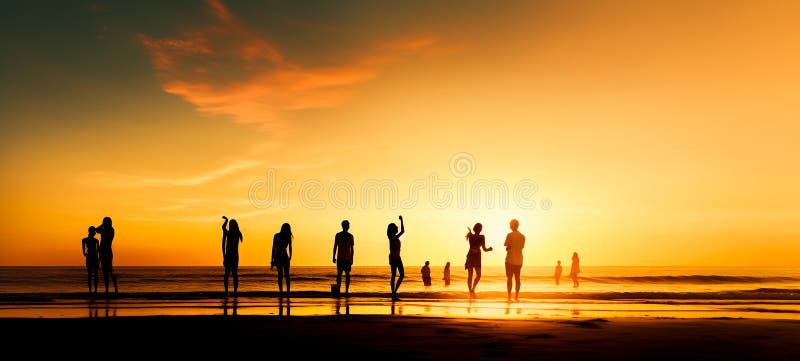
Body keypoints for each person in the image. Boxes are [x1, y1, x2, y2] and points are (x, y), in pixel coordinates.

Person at [464, 223, 493, 297]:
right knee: (470, 275)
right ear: (475, 228)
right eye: (479, 228)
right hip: (471, 256)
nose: (480, 229)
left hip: (477, 257)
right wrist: (470, 233)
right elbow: (472, 243)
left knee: (479, 275)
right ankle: (470, 291)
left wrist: (489, 249)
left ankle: (473, 288)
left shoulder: (482, 236)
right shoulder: (471, 236)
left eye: (480, 228)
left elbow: (484, 249)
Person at [504, 219, 525, 302]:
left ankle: (509, 296)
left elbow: (506, 245)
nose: (509, 226)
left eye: (510, 225)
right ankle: (516, 296)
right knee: (517, 278)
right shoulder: (522, 236)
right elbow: (522, 247)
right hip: (519, 260)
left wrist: (508, 248)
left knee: (509, 278)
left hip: (510, 260)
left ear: (512, 225)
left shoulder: (509, 235)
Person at [95, 217, 118, 295]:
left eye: (106, 222)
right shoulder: (104, 229)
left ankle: (116, 288)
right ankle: (107, 290)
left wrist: (102, 225)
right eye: (105, 221)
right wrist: (102, 225)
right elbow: (96, 230)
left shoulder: (111, 230)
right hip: (102, 252)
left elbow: (97, 230)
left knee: (110, 271)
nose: (105, 223)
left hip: (107, 252)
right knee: (104, 272)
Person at [221, 216, 243, 295]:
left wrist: (226, 221)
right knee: (234, 274)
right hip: (235, 256)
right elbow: (223, 228)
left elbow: (223, 228)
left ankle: (226, 291)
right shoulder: (238, 234)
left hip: (229, 256)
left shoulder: (229, 233)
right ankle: (235, 292)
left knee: (227, 274)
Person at [332, 220, 354, 297]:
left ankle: (346, 291)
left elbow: (352, 249)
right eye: (346, 225)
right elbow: (335, 246)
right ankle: (339, 290)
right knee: (339, 274)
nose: (347, 227)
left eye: (347, 225)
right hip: (340, 258)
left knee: (347, 275)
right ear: (343, 226)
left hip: (347, 259)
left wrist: (352, 259)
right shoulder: (338, 235)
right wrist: (333, 256)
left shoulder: (350, 236)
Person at [271, 223, 293, 295]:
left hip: (284, 257)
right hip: (278, 257)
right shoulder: (276, 236)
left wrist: (290, 256)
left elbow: (290, 247)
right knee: (281, 275)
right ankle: (281, 291)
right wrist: (272, 260)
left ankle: (287, 291)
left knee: (286, 275)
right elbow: (273, 248)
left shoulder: (287, 236)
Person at [387, 215, 405, 300]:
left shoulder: (393, 237)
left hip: (398, 257)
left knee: (402, 275)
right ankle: (393, 294)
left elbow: (402, 231)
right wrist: (401, 220)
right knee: (394, 275)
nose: (397, 228)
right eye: (395, 228)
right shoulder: (392, 237)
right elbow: (402, 231)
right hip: (394, 257)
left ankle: (394, 292)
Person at [81, 226, 100, 294]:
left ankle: (93, 290)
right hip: (92, 257)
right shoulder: (92, 240)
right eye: (93, 231)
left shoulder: (93, 240)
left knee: (92, 274)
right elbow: (97, 250)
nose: (94, 233)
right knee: (93, 274)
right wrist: (86, 254)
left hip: (92, 257)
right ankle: (92, 290)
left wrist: (86, 254)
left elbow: (97, 250)